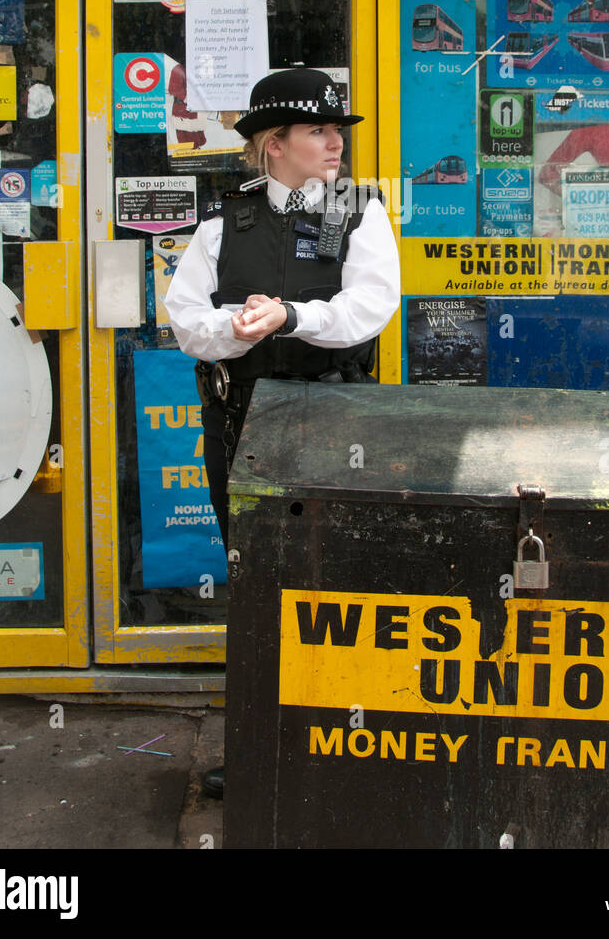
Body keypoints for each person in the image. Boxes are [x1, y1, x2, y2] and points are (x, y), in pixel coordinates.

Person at [164, 67, 401, 799]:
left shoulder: (358, 210)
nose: (335, 143)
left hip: (332, 419)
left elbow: (370, 306)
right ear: (274, 144)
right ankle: (264, 753)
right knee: (258, 581)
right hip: (240, 421)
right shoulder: (222, 220)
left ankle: (342, 749)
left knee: (337, 584)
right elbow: (183, 318)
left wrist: (294, 316)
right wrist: (235, 327)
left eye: (337, 131)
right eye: (318, 131)